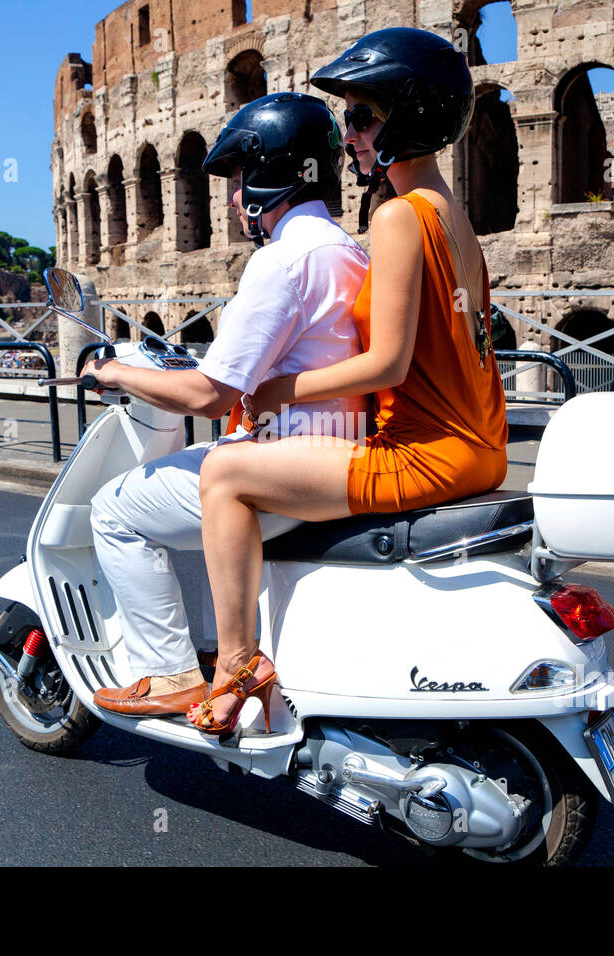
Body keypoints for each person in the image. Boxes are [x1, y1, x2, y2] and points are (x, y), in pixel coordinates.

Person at [186, 28, 509, 734]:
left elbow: (387, 364)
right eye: (348, 121)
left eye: (362, 117)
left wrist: (278, 392)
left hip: (424, 455)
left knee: (224, 475)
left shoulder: (397, 216)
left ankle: (235, 664)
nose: (349, 137)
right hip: (480, 447)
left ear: (410, 116)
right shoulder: (456, 219)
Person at [80, 92, 370, 717]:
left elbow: (210, 397)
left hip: (280, 468)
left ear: (272, 172)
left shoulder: (281, 261)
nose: (234, 197)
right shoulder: (349, 252)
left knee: (111, 510)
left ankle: (169, 675)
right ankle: (221, 654)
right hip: (338, 454)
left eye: (239, 178)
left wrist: (115, 372)